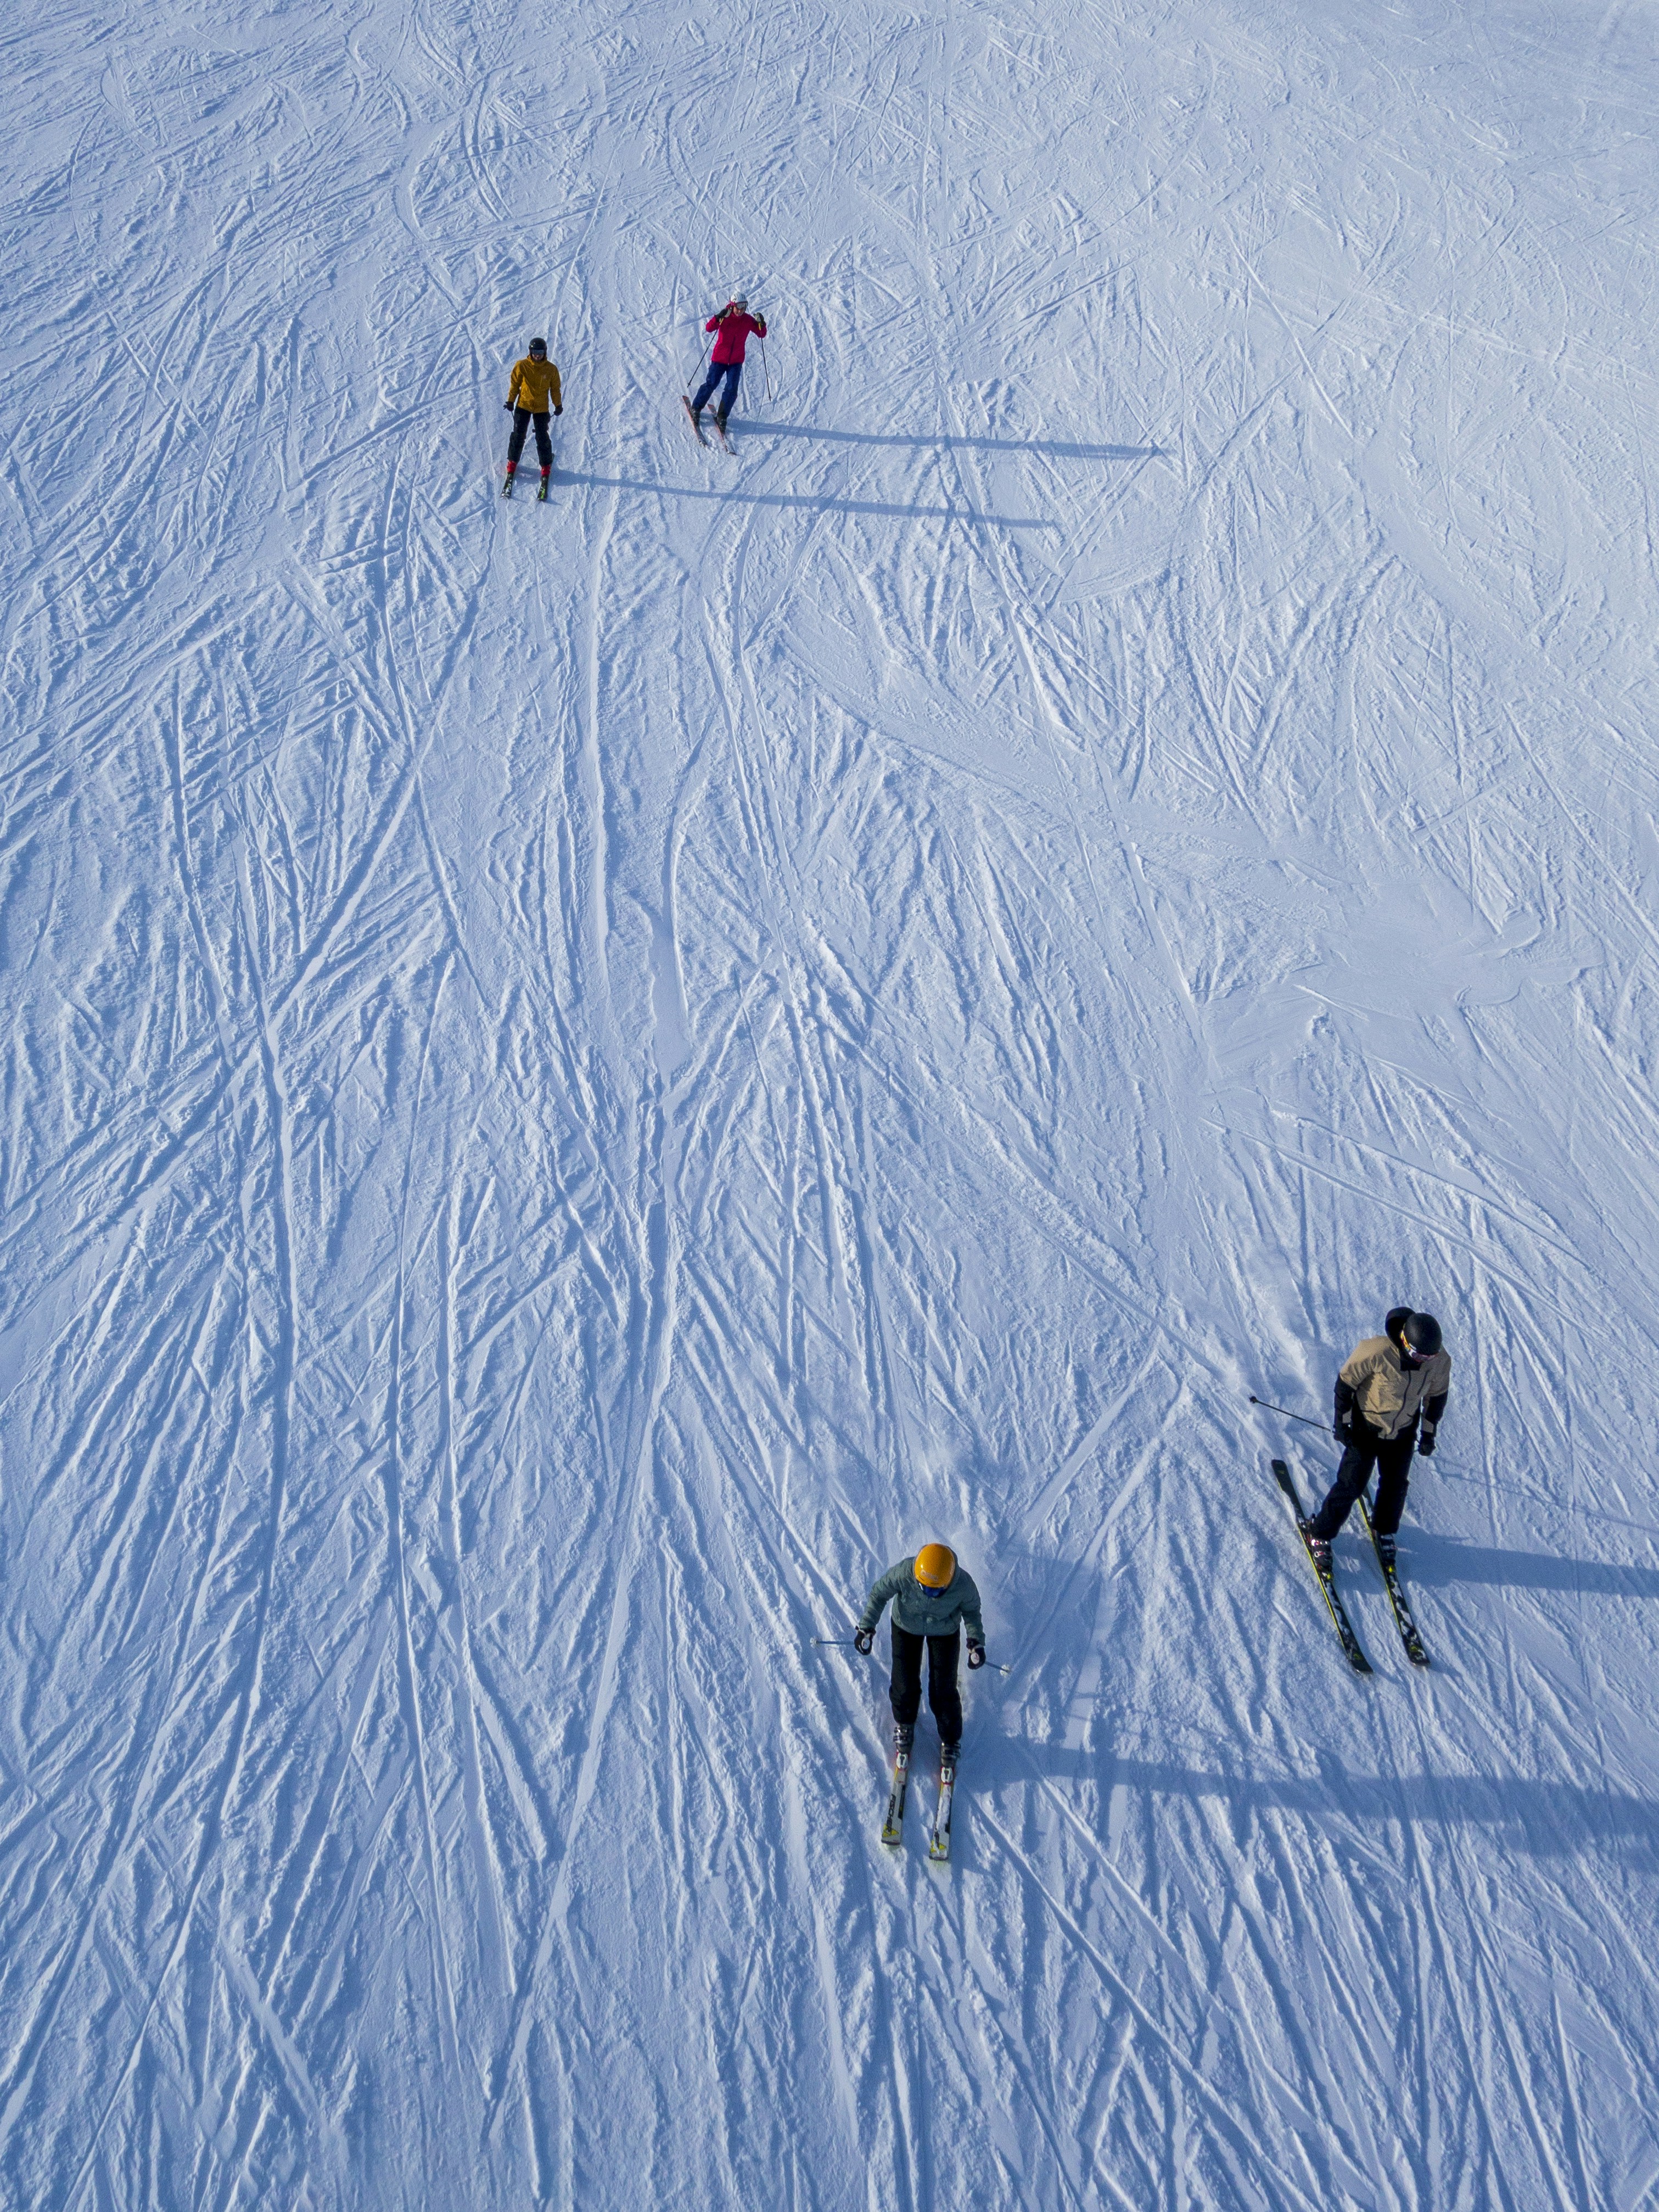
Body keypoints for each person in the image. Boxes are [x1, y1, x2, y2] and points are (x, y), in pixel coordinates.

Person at [1304, 1309, 1451, 1570]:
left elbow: (1436, 1398)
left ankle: (1384, 1530)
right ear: (1405, 1342)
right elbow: (1346, 1384)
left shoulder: (1438, 1362)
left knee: (1396, 1485)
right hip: (1367, 1428)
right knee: (1351, 1485)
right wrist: (1343, 1422)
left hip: (1403, 1430)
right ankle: (1319, 1533)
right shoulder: (1376, 1351)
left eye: (1429, 1357)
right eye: (1418, 1355)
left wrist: (1429, 1434)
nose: (1423, 1362)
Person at [854, 1542, 985, 1762]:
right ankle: (905, 1722)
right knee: (904, 1681)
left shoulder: (963, 1585)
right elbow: (879, 1593)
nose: (929, 1593)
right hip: (906, 1626)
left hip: (944, 1631)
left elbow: (972, 1612)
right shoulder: (906, 1573)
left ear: (949, 1581)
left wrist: (976, 1641)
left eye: (936, 1591)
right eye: (924, 1587)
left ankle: (950, 1738)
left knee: (943, 1689)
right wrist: (867, 1627)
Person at [689, 296, 766, 436]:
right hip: (720, 358)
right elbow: (709, 329)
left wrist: (762, 323)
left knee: (731, 389)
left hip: (736, 361)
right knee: (711, 383)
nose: (741, 311)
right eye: (738, 307)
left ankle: (722, 416)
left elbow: (762, 334)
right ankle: (696, 407)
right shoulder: (725, 317)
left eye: (744, 307)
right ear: (732, 305)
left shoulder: (748, 320)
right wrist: (717, 318)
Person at [502, 338, 562, 497]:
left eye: (540, 353)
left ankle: (546, 465)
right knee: (518, 434)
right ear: (530, 353)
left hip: (542, 408)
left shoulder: (551, 370)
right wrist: (510, 401)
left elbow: (555, 389)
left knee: (542, 436)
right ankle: (512, 462)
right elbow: (515, 385)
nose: (537, 356)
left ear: (545, 353)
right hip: (524, 405)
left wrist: (558, 405)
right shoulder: (521, 365)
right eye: (535, 353)